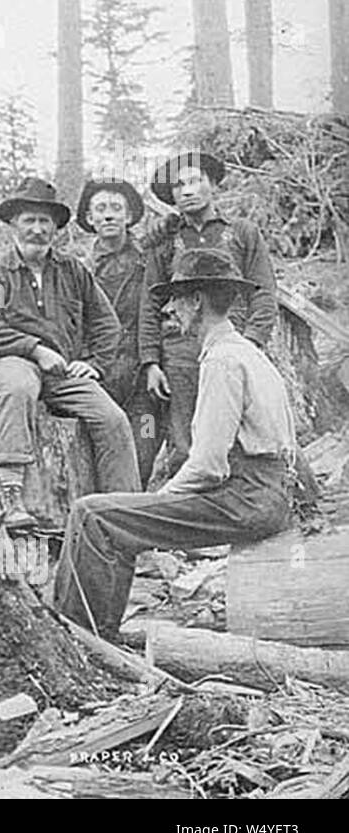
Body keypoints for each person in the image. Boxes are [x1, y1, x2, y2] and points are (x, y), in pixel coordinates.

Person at [55, 249, 296, 640]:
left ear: (197, 301)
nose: (170, 309)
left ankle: (77, 638)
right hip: (268, 494)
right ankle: (102, 632)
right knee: (117, 519)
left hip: (248, 499)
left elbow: (208, 466)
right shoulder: (249, 354)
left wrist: (160, 500)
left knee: (92, 514)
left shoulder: (222, 362)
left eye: (177, 299)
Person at [0, 176, 141, 531]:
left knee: (112, 418)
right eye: (29, 220)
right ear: (13, 224)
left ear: (56, 228)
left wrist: (93, 363)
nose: (37, 229)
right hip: (12, 362)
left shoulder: (72, 271)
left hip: (62, 371)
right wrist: (34, 350)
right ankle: (11, 495)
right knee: (18, 387)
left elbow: (106, 324)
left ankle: (125, 517)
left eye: (44, 221)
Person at [139, 151, 278, 475]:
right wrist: (151, 361)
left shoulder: (242, 232)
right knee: (185, 436)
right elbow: (150, 303)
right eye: (178, 186)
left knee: (243, 425)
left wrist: (253, 342)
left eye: (195, 181)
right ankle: (187, 504)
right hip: (181, 350)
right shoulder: (166, 241)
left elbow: (264, 291)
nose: (187, 190)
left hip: (234, 342)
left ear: (212, 184)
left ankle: (244, 495)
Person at [76, 177, 163, 487]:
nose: (109, 215)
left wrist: (154, 363)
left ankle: (135, 511)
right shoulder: (78, 271)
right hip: (101, 381)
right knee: (100, 458)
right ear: (89, 219)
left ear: (129, 216)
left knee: (145, 445)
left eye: (116, 208)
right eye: (100, 209)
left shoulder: (148, 259)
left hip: (144, 385)